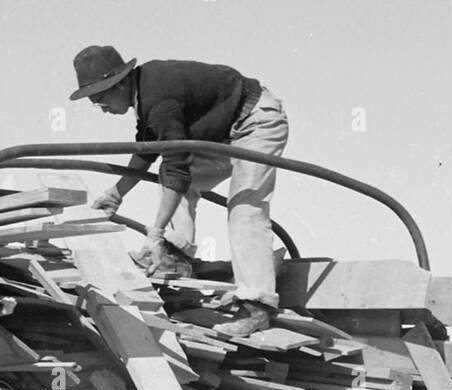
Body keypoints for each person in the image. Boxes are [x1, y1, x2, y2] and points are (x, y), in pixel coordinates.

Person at [70, 46, 290, 337]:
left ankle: (256, 306)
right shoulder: (146, 93)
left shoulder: (158, 100)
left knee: (244, 208)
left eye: (100, 99)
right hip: (224, 133)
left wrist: (155, 231)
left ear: (119, 84)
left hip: (256, 122)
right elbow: (148, 149)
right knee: (172, 178)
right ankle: (176, 255)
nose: (103, 108)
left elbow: (177, 166)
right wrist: (116, 193)